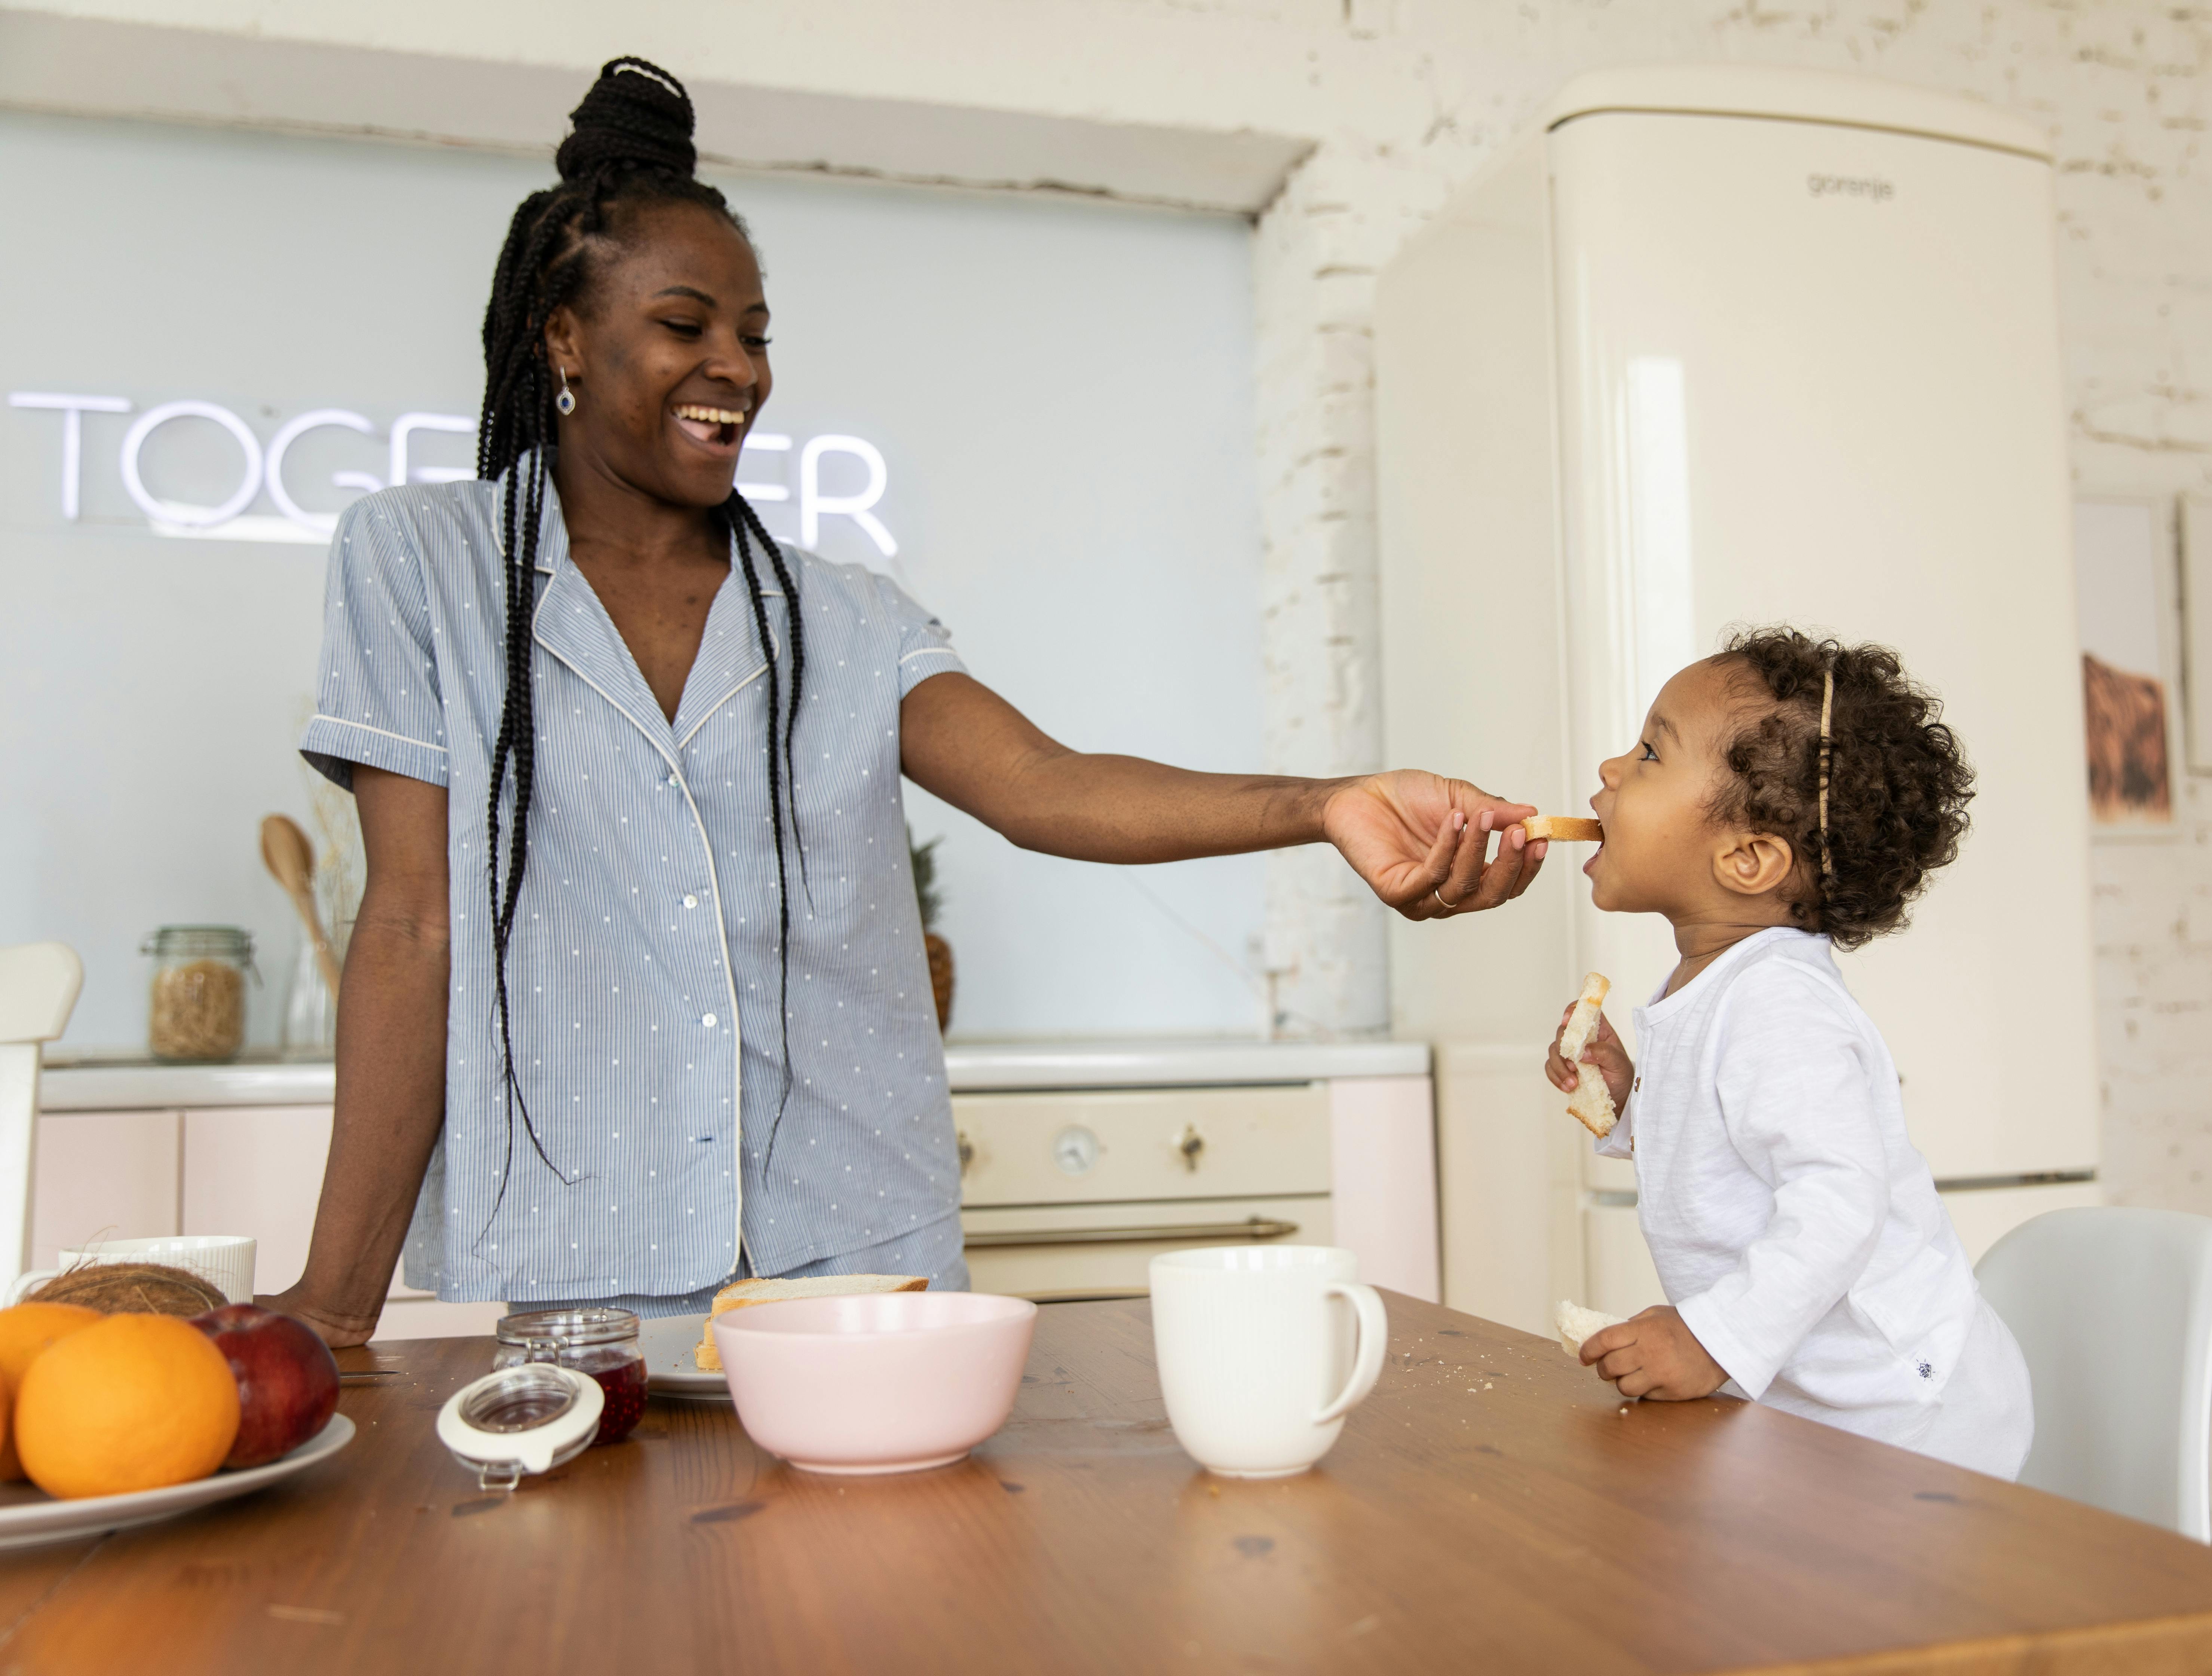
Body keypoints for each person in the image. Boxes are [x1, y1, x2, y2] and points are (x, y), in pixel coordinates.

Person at [272, 58, 1550, 1348]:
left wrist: (1330, 804)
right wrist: (335, 1302)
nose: (739, 368)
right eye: (687, 324)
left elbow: (1045, 786)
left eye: (756, 334)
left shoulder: (846, 614)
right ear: (563, 337)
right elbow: (416, 927)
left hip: (863, 1272)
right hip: (597, 1285)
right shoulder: (425, 565)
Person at [1542, 628, 2032, 1478]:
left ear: (1747, 858)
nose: (1611, 769)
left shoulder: (1776, 1003)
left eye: (1651, 752)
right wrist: (1632, 1103)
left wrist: (1709, 1337)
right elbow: (1729, 1148)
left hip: (1910, 1412)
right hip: (1829, 1408)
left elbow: (1841, 1200)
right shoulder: (1722, 982)